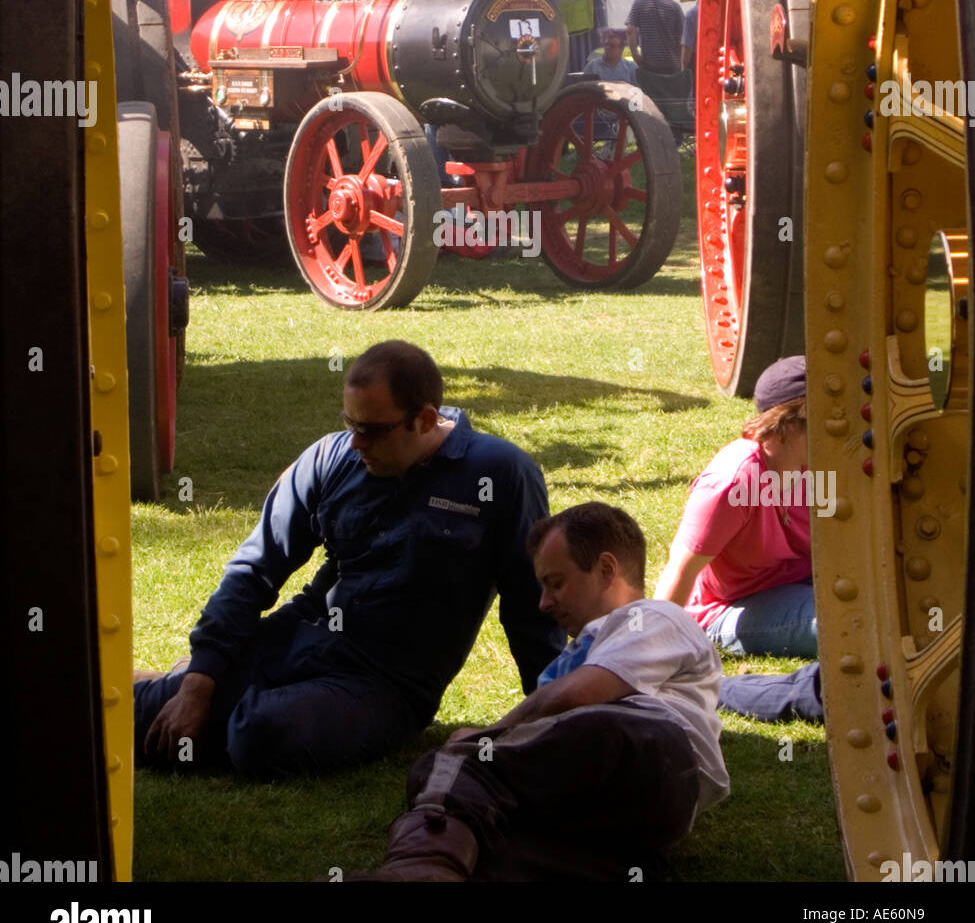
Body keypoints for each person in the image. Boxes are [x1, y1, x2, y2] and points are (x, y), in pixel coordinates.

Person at [134, 340, 564, 778]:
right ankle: (178, 684)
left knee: (259, 734)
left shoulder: (500, 473)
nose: (357, 442)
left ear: (426, 419)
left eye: (373, 430)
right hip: (301, 637)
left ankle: (216, 700)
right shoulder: (331, 457)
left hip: (386, 682)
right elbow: (254, 570)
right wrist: (200, 682)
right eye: (349, 423)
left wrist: (550, 715)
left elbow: (532, 605)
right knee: (139, 715)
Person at [348, 502, 729, 882]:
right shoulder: (576, 655)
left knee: (454, 763)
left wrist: (482, 740)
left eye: (556, 583)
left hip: (651, 750)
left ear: (606, 569)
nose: (544, 603)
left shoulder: (653, 616)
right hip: (630, 820)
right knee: (485, 839)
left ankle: (419, 872)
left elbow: (578, 697)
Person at [654, 355, 823, 722]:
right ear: (784, 425)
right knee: (846, 623)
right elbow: (680, 570)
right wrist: (647, 657)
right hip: (726, 607)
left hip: (797, 582)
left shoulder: (818, 466)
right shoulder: (733, 482)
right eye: (821, 420)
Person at [626, 0, 690, 132]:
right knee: (671, 104)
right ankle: (674, 134)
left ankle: (652, 133)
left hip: (649, 63)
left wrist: (635, 55)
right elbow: (682, 38)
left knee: (651, 102)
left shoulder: (639, 4)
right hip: (671, 64)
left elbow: (630, 30)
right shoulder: (674, 7)